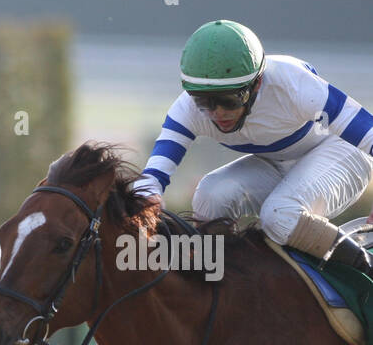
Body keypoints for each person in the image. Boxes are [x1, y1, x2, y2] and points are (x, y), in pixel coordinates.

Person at [132, 20, 373, 272]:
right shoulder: (188, 108)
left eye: (230, 100)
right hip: (278, 162)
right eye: (205, 102)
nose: (218, 113)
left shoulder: (293, 83)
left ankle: (367, 270)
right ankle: (216, 282)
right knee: (209, 196)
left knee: (280, 214)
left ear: (257, 84)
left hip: (342, 152)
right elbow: (152, 178)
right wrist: (146, 200)